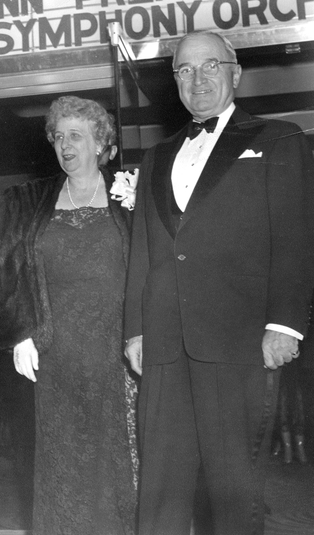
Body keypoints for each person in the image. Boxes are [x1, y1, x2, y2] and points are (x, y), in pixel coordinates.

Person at [123, 30, 314, 534]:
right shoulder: (158, 155)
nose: (197, 78)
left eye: (209, 66)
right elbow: (144, 249)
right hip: (164, 343)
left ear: (235, 73)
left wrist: (286, 326)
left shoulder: (279, 138)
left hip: (238, 341)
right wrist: (135, 330)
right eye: (184, 70)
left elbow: (295, 238)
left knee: (234, 491)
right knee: (160, 491)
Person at [0, 96, 137, 535]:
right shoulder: (30, 200)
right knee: (62, 462)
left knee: (122, 459)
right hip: (55, 354)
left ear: (101, 142)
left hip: (121, 351)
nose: (65, 145)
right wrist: (20, 333)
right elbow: (8, 270)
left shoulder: (131, 192)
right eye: (58, 136)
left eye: (76, 135)